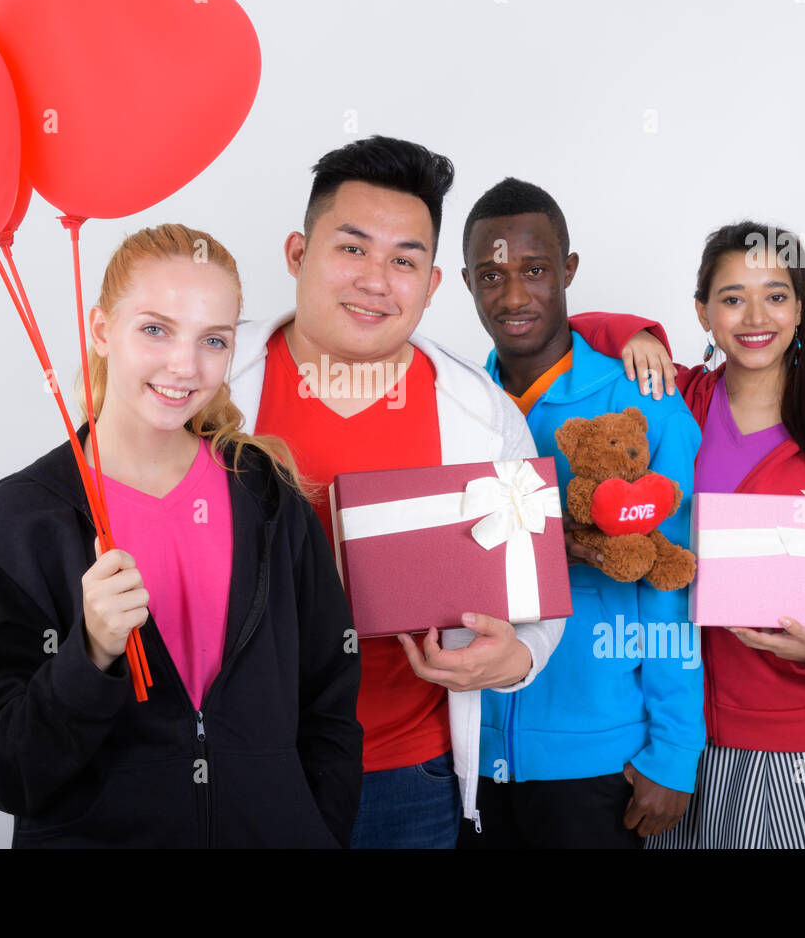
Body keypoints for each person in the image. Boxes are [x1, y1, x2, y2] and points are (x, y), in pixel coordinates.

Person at [0, 224, 363, 848]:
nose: (185, 365)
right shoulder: (23, 519)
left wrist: (316, 831)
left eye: (213, 340)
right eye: (155, 329)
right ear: (100, 330)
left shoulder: (269, 497)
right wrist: (88, 654)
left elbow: (329, 701)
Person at [227, 137, 565, 848]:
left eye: (404, 260)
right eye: (352, 249)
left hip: (409, 778)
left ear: (434, 283)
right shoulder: (213, 384)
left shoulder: (481, 414)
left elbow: (537, 589)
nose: (377, 281)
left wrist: (518, 657)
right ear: (297, 253)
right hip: (237, 768)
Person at [572, 220, 805, 848]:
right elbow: (569, 325)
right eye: (732, 298)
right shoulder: (677, 402)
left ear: (800, 309)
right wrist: (637, 333)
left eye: (775, 294)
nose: (753, 315)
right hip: (692, 752)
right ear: (703, 313)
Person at [454, 177, 705, 847]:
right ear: (465, 282)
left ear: (568, 270)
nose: (512, 295)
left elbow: (672, 584)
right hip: (470, 757)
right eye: (491, 274)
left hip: (599, 760)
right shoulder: (456, 404)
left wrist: (676, 752)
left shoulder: (643, 400)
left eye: (534, 270)